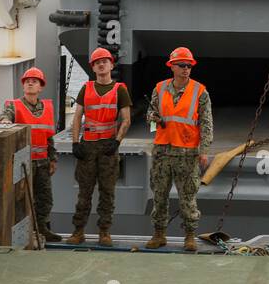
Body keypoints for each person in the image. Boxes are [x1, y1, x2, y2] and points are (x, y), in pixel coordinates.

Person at [144, 46, 212, 252]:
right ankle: (159, 235)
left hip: (187, 153)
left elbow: (206, 122)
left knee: (188, 197)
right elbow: (150, 114)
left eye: (189, 65)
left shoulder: (200, 91)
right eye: (182, 65)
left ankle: (190, 236)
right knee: (159, 195)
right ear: (172, 66)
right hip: (163, 152)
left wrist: (204, 150)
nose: (186, 69)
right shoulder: (160, 88)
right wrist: (153, 119)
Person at [67, 47, 131, 247]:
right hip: (87, 146)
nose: (101, 64)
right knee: (84, 192)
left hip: (107, 148)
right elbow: (77, 117)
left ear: (111, 65)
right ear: (93, 68)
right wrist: (75, 142)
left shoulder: (120, 89)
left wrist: (117, 141)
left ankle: (104, 231)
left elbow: (126, 119)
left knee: (107, 191)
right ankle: (78, 231)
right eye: (97, 62)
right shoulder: (86, 88)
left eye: (105, 61)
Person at [1, 67, 61, 244]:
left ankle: (42, 229)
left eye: (34, 81)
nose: (30, 83)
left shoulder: (47, 108)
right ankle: (22, 235)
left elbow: (49, 136)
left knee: (44, 199)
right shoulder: (14, 106)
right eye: (27, 81)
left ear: (40, 87)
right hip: (22, 163)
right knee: (21, 199)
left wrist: (53, 159)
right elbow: (5, 117)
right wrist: (5, 121)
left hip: (42, 162)